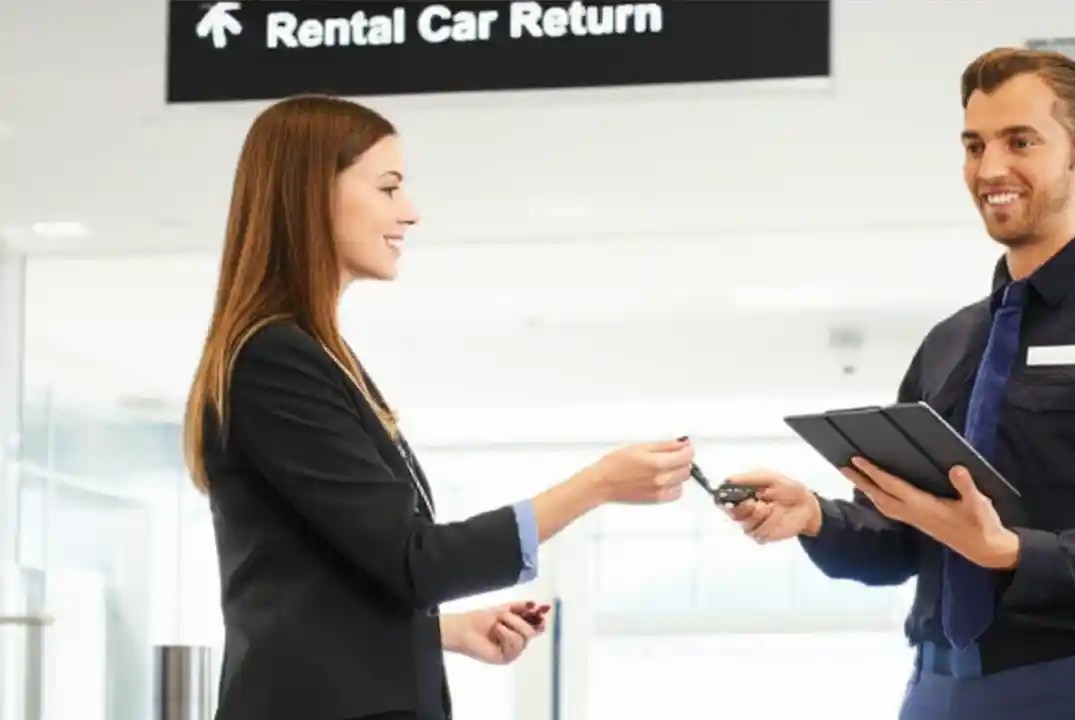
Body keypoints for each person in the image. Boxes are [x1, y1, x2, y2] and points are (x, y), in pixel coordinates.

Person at [724, 47, 1075, 720]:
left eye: (1021, 142)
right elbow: (901, 539)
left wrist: (1009, 551)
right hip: (936, 687)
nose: (990, 169)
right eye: (974, 145)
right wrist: (812, 516)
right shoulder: (949, 344)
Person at [181, 94, 695, 720]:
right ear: (313, 192)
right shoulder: (276, 359)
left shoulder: (313, 353)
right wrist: (597, 486)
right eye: (389, 188)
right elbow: (414, 560)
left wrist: (441, 632)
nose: (411, 213)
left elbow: (322, 589)